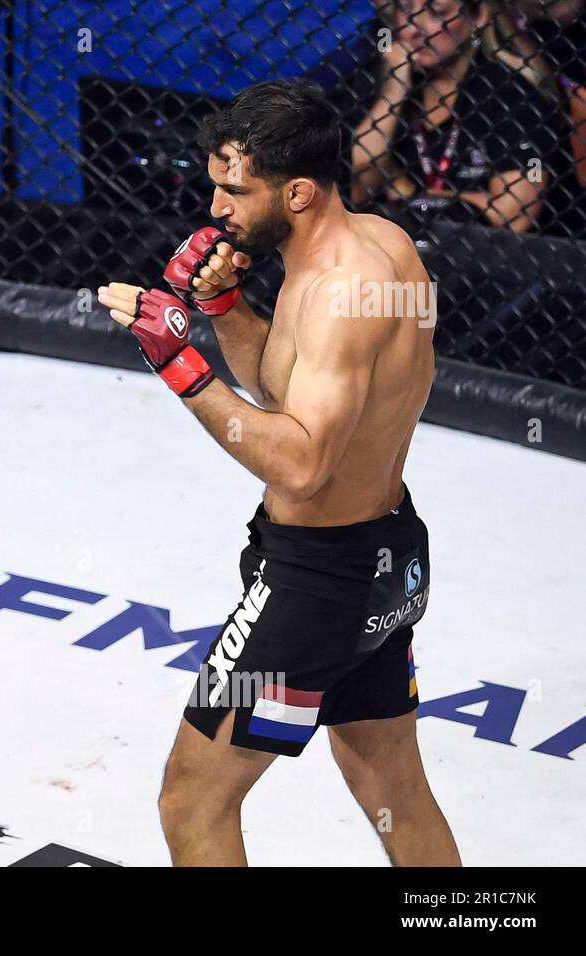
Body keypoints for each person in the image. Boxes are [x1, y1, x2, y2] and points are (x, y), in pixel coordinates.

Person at [98, 80, 460, 866]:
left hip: (316, 586)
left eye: (235, 189)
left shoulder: (338, 292)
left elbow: (299, 463)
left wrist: (180, 365)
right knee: (390, 780)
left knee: (193, 800)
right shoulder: (376, 246)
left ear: (296, 191)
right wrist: (227, 307)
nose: (216, 206)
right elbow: (286, 394)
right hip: (382, 556)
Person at [345, 0, 557, 232]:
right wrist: (394, 93)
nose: (410, 28)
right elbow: (359, 190)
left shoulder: (509, 92)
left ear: (478, 17)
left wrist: (410, 194)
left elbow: (514, 213)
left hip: (487, 260)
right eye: (404, 10)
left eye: (437, 12)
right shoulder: (381, 81)